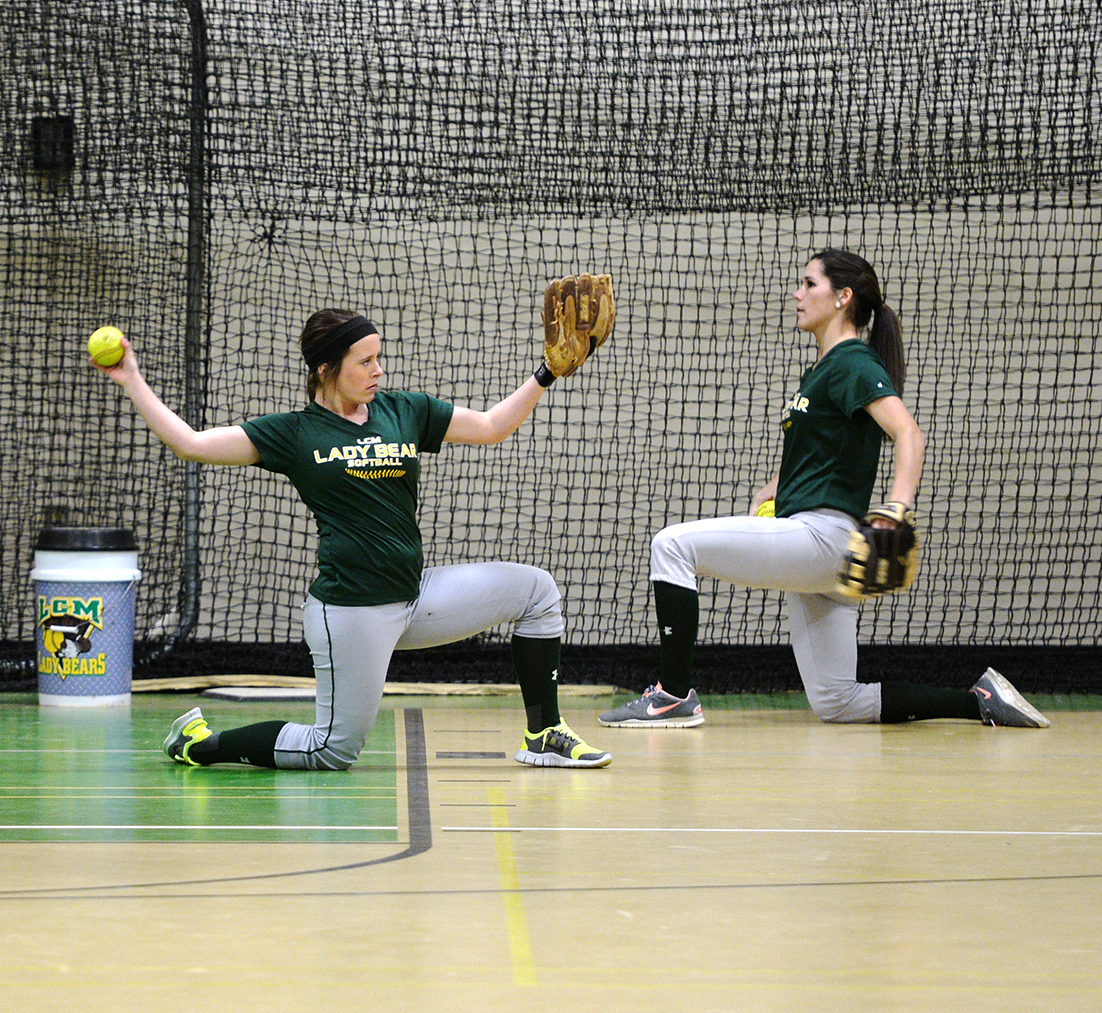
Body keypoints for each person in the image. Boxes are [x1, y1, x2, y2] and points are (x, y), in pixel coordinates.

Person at [98, 302, 613, 772]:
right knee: (331, 750)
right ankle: (200, 744)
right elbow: (191, 443)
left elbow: (491, 426)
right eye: (364, 361)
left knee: (537, 591)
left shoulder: (402, 411)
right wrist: (132, 379)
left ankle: (544, 732)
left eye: (378, 358)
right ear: (326, 369)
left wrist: (547, 372)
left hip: (413, 596)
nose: (378, 371)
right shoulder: (294, 433)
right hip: (351, 611)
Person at [600, 248, 1049, 730]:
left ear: (843, 298)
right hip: (823, 552)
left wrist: (897, 507)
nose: (798, 293)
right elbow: (822, 454)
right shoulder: (821, 371)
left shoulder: (852, 362)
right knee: (837, 701)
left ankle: (671, 697)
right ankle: (978, 702)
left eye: (809, 284)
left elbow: (909, 434)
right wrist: (771, 488)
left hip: (823, 538)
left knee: (672, 545)